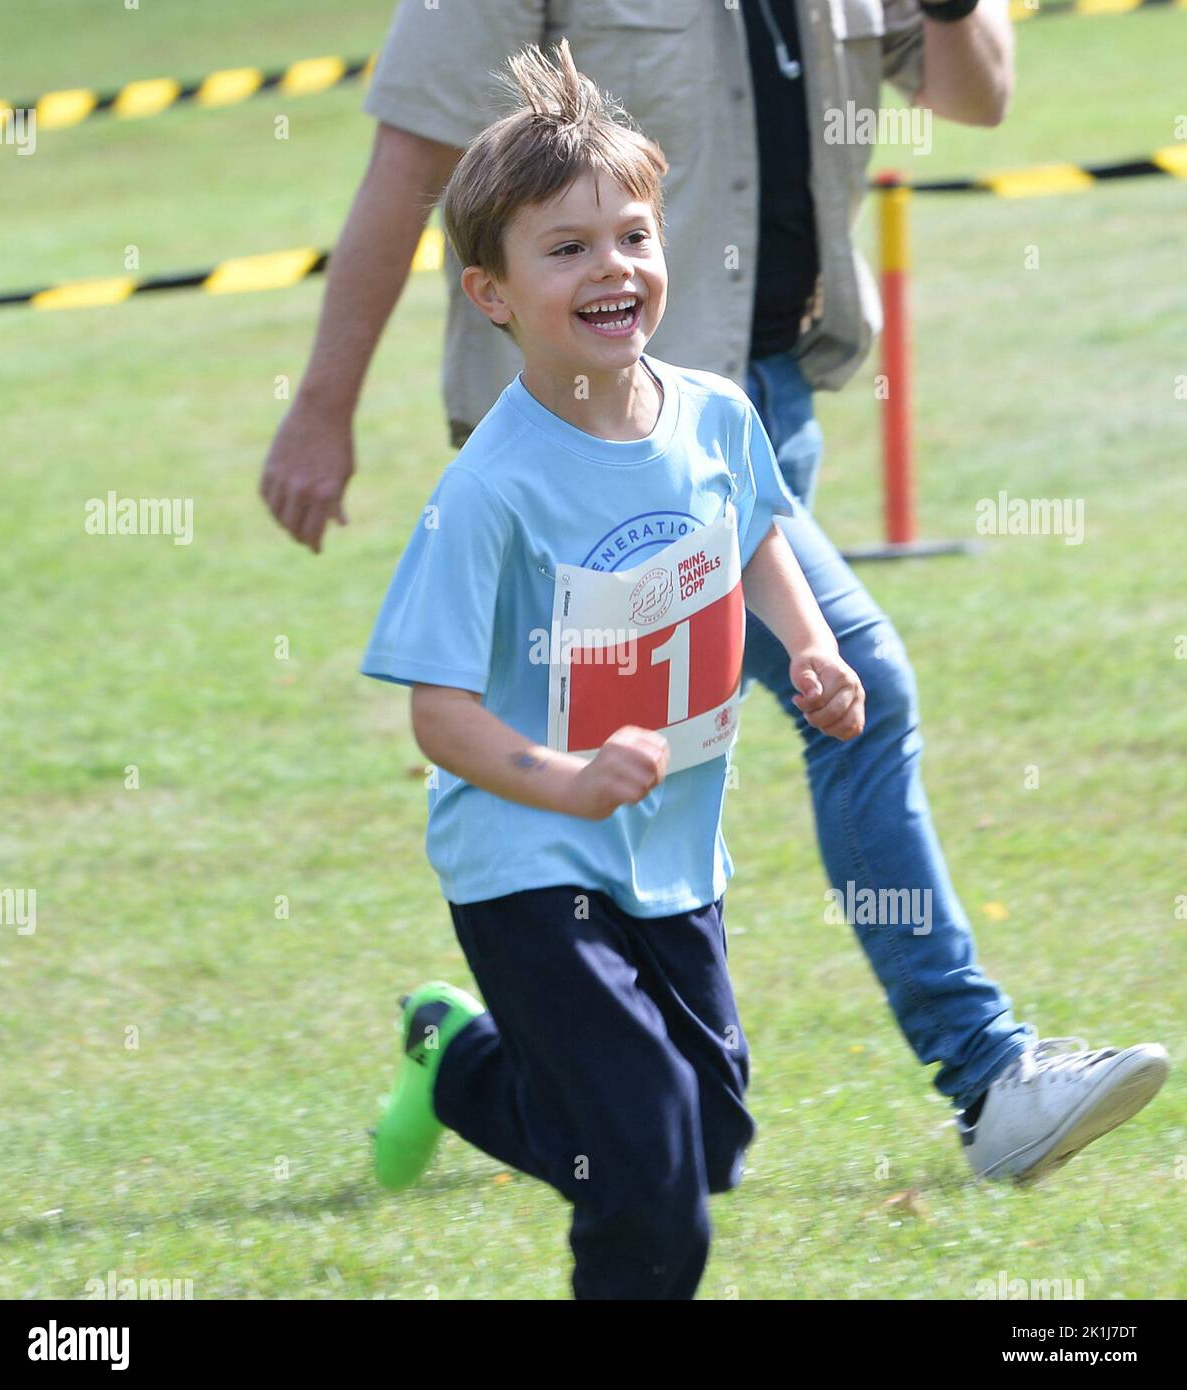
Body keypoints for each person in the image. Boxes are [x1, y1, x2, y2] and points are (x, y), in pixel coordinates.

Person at [263, 0, 1168, 1183]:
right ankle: (983, 1075)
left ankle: (492, 1063)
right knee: (796, 719)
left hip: (753, 412)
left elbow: (973, 93)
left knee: (775, 743)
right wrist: (323, 401)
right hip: (580, 442)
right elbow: (411, 153)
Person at [362, 41, 865, 1300]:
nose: (614, 267)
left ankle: (461, 1066)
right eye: (568, 247)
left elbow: (753, 536)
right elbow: (437, 712)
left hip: (673, 848)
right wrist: (566, 776)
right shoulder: (491, 485)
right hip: (531, 859)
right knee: (647, 1176)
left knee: (707, 1136)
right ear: (492, 291)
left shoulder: (713, 416)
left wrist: (810, 648)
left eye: (632, 235)